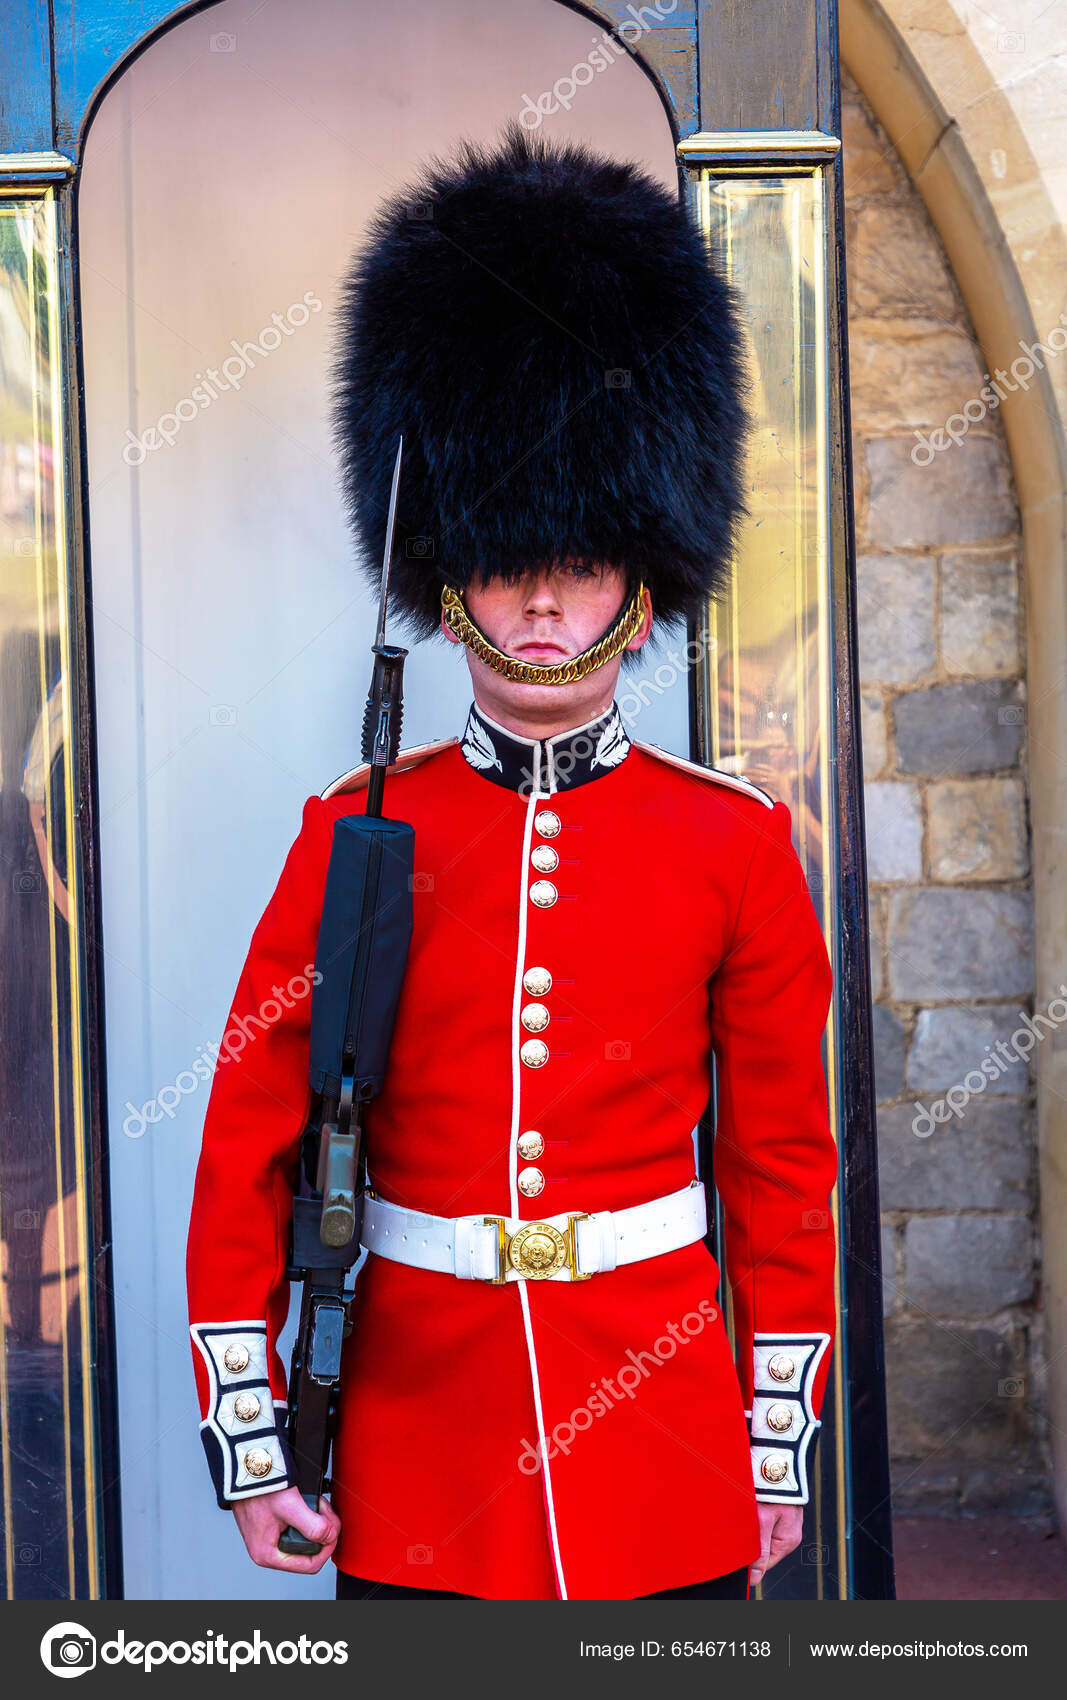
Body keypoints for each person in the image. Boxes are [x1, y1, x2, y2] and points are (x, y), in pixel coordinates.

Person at [186, 125, 837, 1602]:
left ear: (642, 582)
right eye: (504, 562)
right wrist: (256, 1440)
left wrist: (769, 1439)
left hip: (660, 1433)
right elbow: (247, 1139)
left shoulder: (732, 843)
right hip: (420, 1442)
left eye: (583, 564)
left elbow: (782, 1168)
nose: (543, 601)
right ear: (449, 576)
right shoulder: (361, 829)